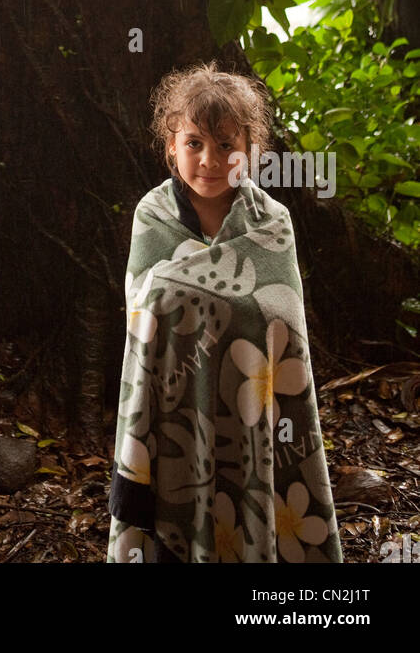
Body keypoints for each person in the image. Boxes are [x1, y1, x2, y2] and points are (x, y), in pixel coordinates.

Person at [106, 61, 342, 563]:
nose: (209, 160)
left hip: (253, 419)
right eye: (194, 143)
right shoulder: (152, 215)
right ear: (172, 147)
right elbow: (144, 310)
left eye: (226, 145)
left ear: (251, 153)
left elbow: (282, 322)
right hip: (174, 409)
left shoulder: (272, 222)